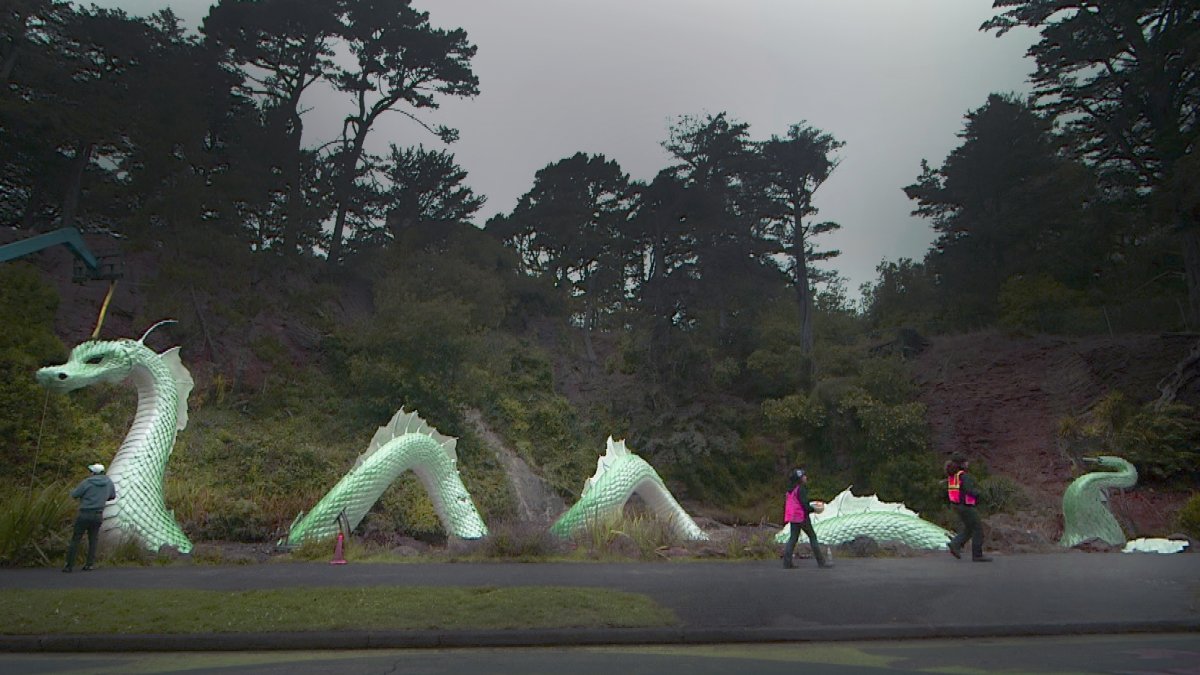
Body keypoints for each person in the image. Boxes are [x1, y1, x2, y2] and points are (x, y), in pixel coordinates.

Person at [64, 463, 116, 572]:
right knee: (93, 539)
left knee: (76, 539)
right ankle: (89, 564)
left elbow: (74, 494)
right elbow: (112, 496)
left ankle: (69, 565)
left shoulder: (87, 482)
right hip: (98, 514)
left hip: (85, 513)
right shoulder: (109, 483)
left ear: (93, 473)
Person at [782, 468, 832, 569]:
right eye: (803, 476)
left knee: (793, 538)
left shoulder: (790, 490)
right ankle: (821, 562)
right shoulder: (801, 489)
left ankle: (787, 562)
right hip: (801, 516)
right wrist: (813, 509)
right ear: (799, 479)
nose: (805, 478)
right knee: (812, 537)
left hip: (793, 517)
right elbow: (804, 505)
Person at [946, 453, 992, 562]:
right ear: (962, 464)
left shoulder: (953, 475)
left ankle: (955, 544)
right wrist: (980, 493)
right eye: (966, 462)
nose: (968, 463)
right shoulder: (964, 476)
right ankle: (977, 555)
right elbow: (969, 490)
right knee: (978, 530)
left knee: (969, 528)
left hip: (957, 505)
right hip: (965, 506)